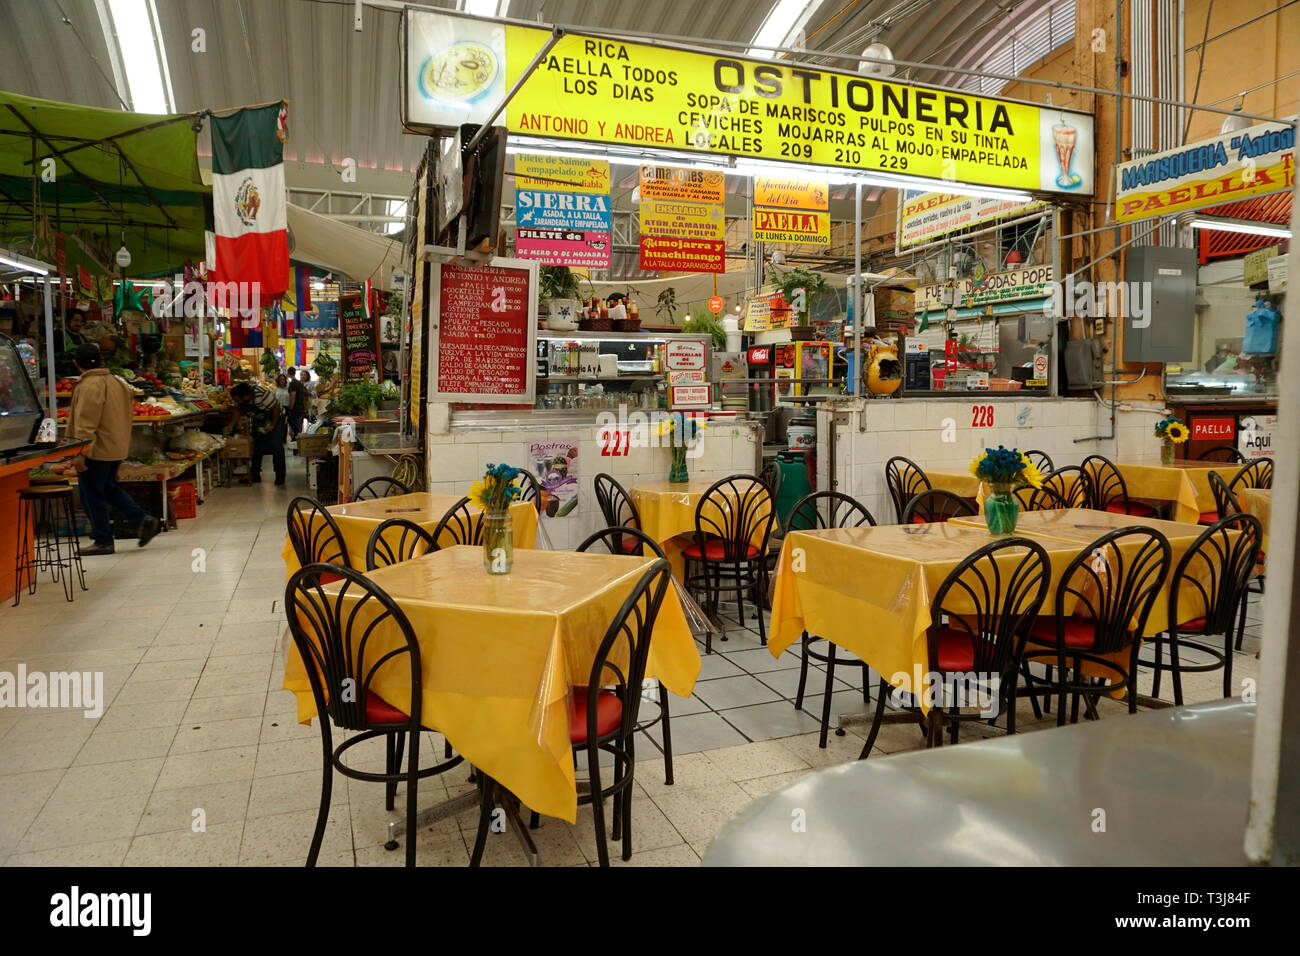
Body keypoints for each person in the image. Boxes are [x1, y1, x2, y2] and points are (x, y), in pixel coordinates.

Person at [65, 343, 160, 555]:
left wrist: (80, 452)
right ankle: (143, 520)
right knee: (108, 488)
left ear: (76, 363)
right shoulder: (118, 382)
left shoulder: (89, 385)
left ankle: (103, 540)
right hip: (115, 447)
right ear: (100, 360)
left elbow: (86, 423)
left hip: (96, 449)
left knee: (92, 494)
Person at [228, 381, 286, 485]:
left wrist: (272, 425)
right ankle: (255, 475)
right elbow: (237, 410)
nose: (236, 402)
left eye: (238, 400)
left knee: (276, 447)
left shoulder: (261, 393)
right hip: (258, 420)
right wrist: (231, 424)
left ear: (245, 397)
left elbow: (276, 408)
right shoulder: (240, 398)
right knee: (256, 448)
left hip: (275, 417)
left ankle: (280, 476)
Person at [54, 309, 90, 377]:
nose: (79, 324)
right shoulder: (58, 335)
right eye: (76, 320)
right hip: (63, 376)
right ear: (68, 320)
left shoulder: (82, 337)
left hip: (81, 374)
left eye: (81, 321)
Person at [286, 367, 308, 439]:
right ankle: (299, 442)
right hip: (301, 407)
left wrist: (290, 408)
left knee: (295, 428)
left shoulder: (293, 383)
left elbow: (293, 397)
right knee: (299, 426)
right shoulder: (299, 383)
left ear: (288, 374)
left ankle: (296, 444)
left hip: (295, 408)